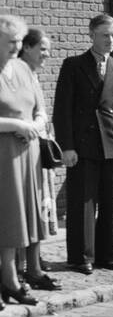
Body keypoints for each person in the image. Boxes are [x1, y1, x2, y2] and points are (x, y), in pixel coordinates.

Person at [53, 12, 113, 273]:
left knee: (110, 203)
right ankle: (81, 257)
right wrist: (66, 147)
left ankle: (107, 256)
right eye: (104, 35)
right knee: (82, 203)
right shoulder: (74, 65)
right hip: (83, 145)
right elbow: (62, 110)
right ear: (91, 36)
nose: (110, 40)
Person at [0, 15, 50, 303]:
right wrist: (18, 126)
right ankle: (9, 280)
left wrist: (36, 124)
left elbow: (40, 108)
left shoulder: (21, 68)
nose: (16, 47)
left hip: (25, 153)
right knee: (4, 216)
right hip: (3, 153)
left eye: (19, 42)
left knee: (15, 219)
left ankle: (10, 280)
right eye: (10, 42)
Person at [15, 27, 59, 290]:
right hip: (18, 152)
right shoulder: (14, 74)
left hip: (36, 152)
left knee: (37, 212)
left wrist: (39, 121)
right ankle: (18, 270)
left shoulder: (32, 75)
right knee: (19, 213)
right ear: (27, 47)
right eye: (42, 49)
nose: (46, 55)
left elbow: (40, 110)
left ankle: (34, 268)